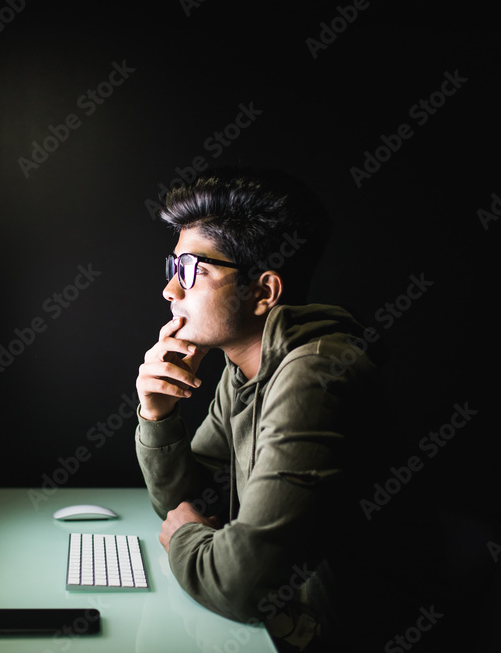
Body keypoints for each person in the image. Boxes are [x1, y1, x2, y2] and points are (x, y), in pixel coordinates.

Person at [133, 168, 410, 651]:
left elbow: (239, 583)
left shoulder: (317, 376)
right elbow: (191, 502)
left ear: (263, 292)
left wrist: (183, 538)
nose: (170, 291)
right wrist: (159, 418)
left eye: (192, 270)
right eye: (173, 268)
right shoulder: (244, 368)